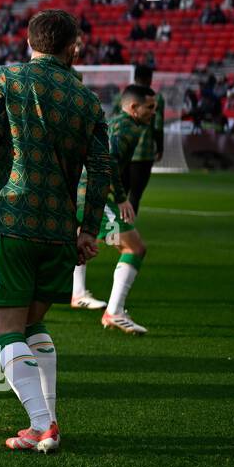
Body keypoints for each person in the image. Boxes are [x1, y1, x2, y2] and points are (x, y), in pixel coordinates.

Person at [0, 10, 112, 453]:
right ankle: (48, 419)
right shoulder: (89, 102)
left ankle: (42, 425)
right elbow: (100, 171)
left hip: (12, 219)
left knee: (6, 327)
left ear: (29, 41)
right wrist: (89, 229)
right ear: (72, 46)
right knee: (33, 322)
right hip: (59, 230)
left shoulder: (7, 79)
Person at [70, 85, 158, 333]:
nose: (153, 112)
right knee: (134, 247)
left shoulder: (120, 123)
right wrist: (121, 198)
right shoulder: (127, 128)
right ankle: (114, 312)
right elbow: (109, 161)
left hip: (83, 190)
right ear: (133, 108)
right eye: (150, 108)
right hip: (93, 194)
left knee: (75, 241)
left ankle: (77, 293)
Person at [125, 65, 163, 212]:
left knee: (119, 193)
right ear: (149, 79)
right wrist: (160, 147)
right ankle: (127, 229)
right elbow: (158, 126)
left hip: (124, 149)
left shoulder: (124, 96)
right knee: (135, 194)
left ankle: (115, 228)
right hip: (143, 152)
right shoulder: (155, 98)